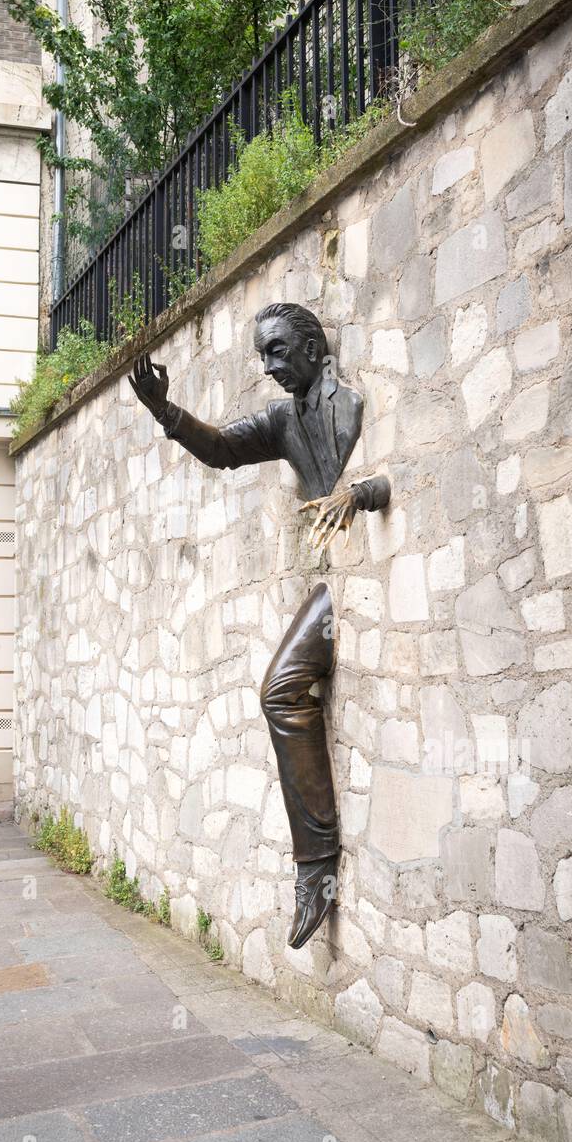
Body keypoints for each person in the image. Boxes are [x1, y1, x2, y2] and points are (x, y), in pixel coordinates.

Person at [129, 301, 391, 950]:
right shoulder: (283, 420)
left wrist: (359, 494)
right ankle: (315, 865)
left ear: (311, 347)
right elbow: (220, 448)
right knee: (279, 690)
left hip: (364, 582)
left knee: (279, 688)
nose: (268, 366)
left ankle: (317, 864)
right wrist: (165, 411)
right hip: (335, 583)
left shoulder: (349, 405)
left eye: (277, 351)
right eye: (261, 355)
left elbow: (398, 478)